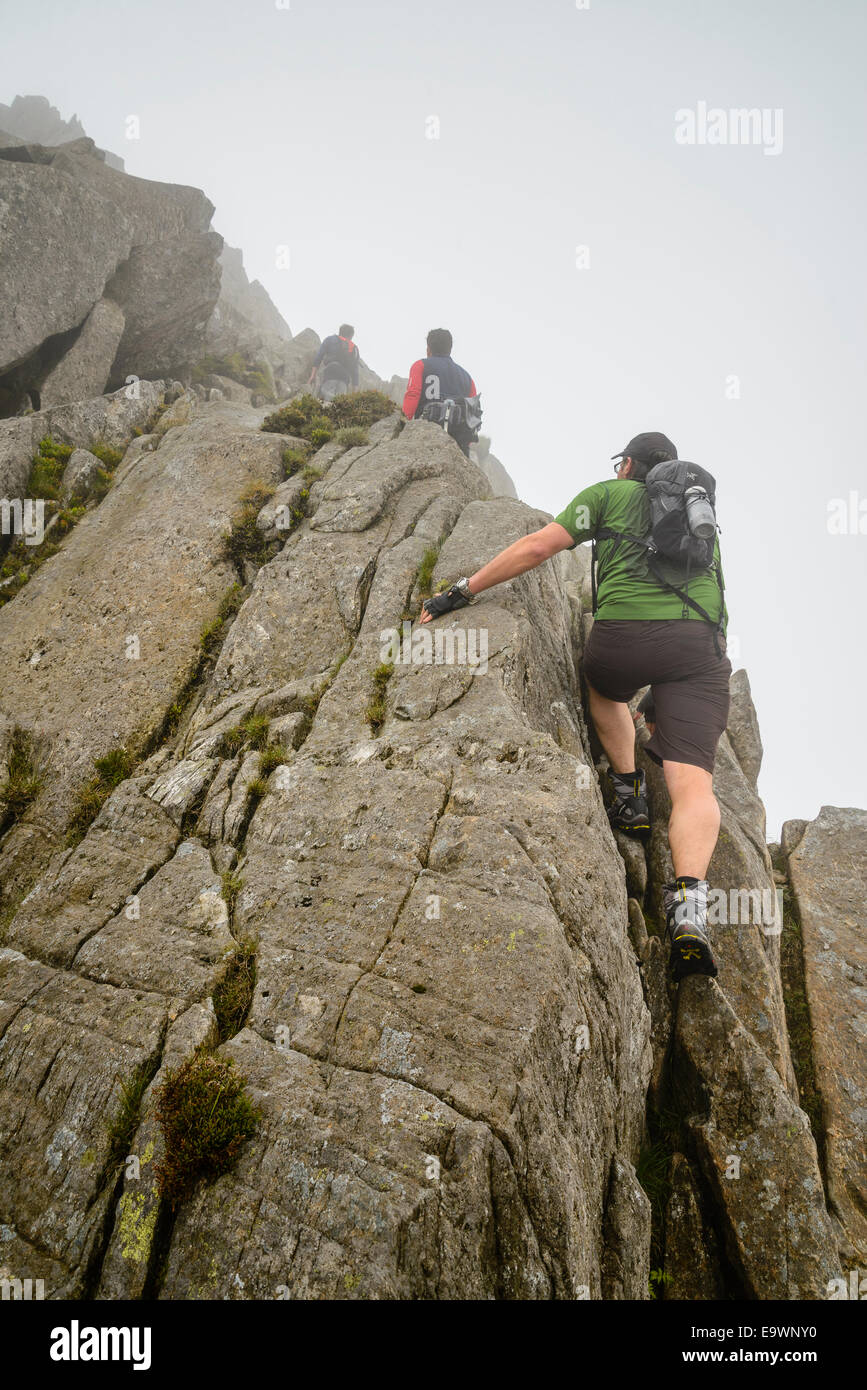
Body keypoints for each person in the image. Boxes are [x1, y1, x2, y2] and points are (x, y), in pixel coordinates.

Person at [419, 431, 731, 982]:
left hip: (624, 639)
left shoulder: (608, 496)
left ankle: (629, 792)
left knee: (604, 688)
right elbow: (718, 605)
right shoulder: (696, 514)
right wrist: (672, 681)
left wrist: (461, 591)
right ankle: (689, 913)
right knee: (694, 787)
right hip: (700, 655)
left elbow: (539, 547)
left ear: (627, 464)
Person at [402, 329, 479, 457]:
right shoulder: (467, 378)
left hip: (427, 430)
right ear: (450, 349)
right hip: (459, 441)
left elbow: (413, 394)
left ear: (428, 349)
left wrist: (403, 424)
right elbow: (472, 413)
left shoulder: (420, 365)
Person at [308, 324, 360, 400]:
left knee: (325, 402)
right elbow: (355, 372)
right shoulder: (354, 348)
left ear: (340, 332)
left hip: (331, 373)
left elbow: (318, 357)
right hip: (344, 379)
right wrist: (355, 393)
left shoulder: (330, 339)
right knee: (338, 405)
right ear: (351, 336)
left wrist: (312, 376)